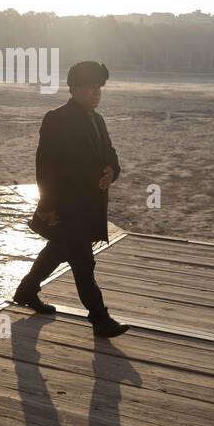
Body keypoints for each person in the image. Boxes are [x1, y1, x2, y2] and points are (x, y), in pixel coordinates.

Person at [12, 60, 130, 338]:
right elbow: (46, 167)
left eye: (99, 87)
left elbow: (110, 154)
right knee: (83, 263)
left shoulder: (98, 120)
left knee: (57, 250)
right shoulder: (57, 118)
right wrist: (48, 206)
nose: (96, 93)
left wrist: (111, 171)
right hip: (66, 207)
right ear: (74, 88)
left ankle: (27, 290)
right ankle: (100, 319)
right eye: (90, 87)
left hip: (90, 207)